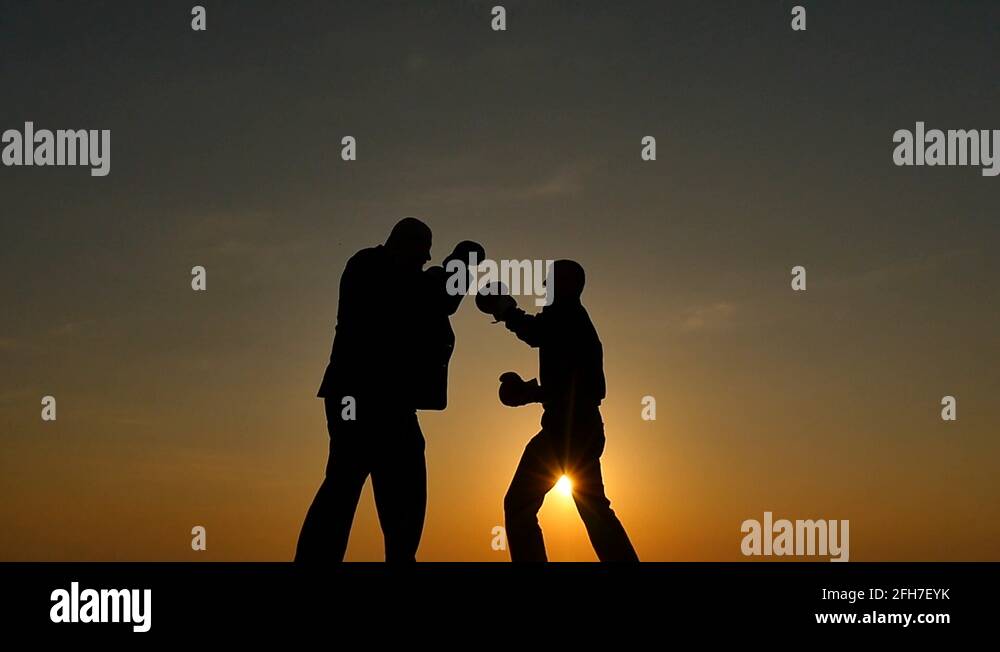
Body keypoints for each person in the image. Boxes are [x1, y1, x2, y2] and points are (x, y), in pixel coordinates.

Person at [296, 217, 482, 562]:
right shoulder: (370, 266)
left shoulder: (381, 271)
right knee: (347, 489)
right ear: (404, 245)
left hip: (382, 402)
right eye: (423, 252)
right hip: (365, 401)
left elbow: (434, 295)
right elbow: (438, 297)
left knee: (368, 491)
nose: (426, 260)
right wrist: (463, 261)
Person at [477, 260, 639, 562]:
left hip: (568, 431)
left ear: (564, 285)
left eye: (548, 281)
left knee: (520, 505)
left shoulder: (565, 315)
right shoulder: (573, 319)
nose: (543, 287)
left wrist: (504, 308)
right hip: (579, 428)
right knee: (593, 511)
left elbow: (535, 332)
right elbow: (570, 385)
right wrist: (530, 393)